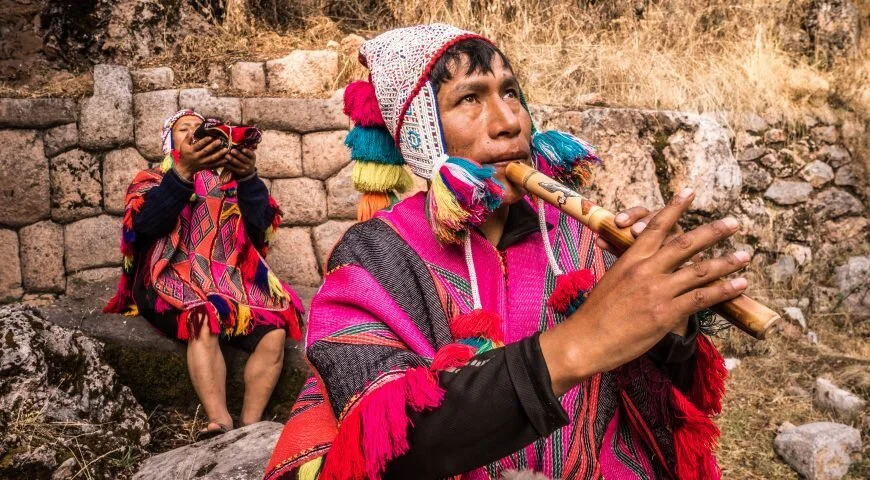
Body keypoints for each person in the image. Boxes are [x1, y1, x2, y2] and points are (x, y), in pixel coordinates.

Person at [266, 24, 745, 480]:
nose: (510, 123)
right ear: (423, 134)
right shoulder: (373, 254)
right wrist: (580, 343)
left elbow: (665, 392)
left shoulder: (582, 239)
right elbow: (389, 443)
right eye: (470, 98)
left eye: (510, 93)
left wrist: (672, 316)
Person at [104, 109, 304, 440]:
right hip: (169, 278)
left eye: (201, 129)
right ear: (171, 145)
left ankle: (251, 427)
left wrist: (249, 178)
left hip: (227, 281)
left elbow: (259, 229)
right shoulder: (151, 180)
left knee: (275, 332)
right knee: (202, 317)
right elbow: (145, 226)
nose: (194, 133)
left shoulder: (231, 185)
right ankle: (219, 421)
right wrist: (182, 173)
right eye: (184, 130)